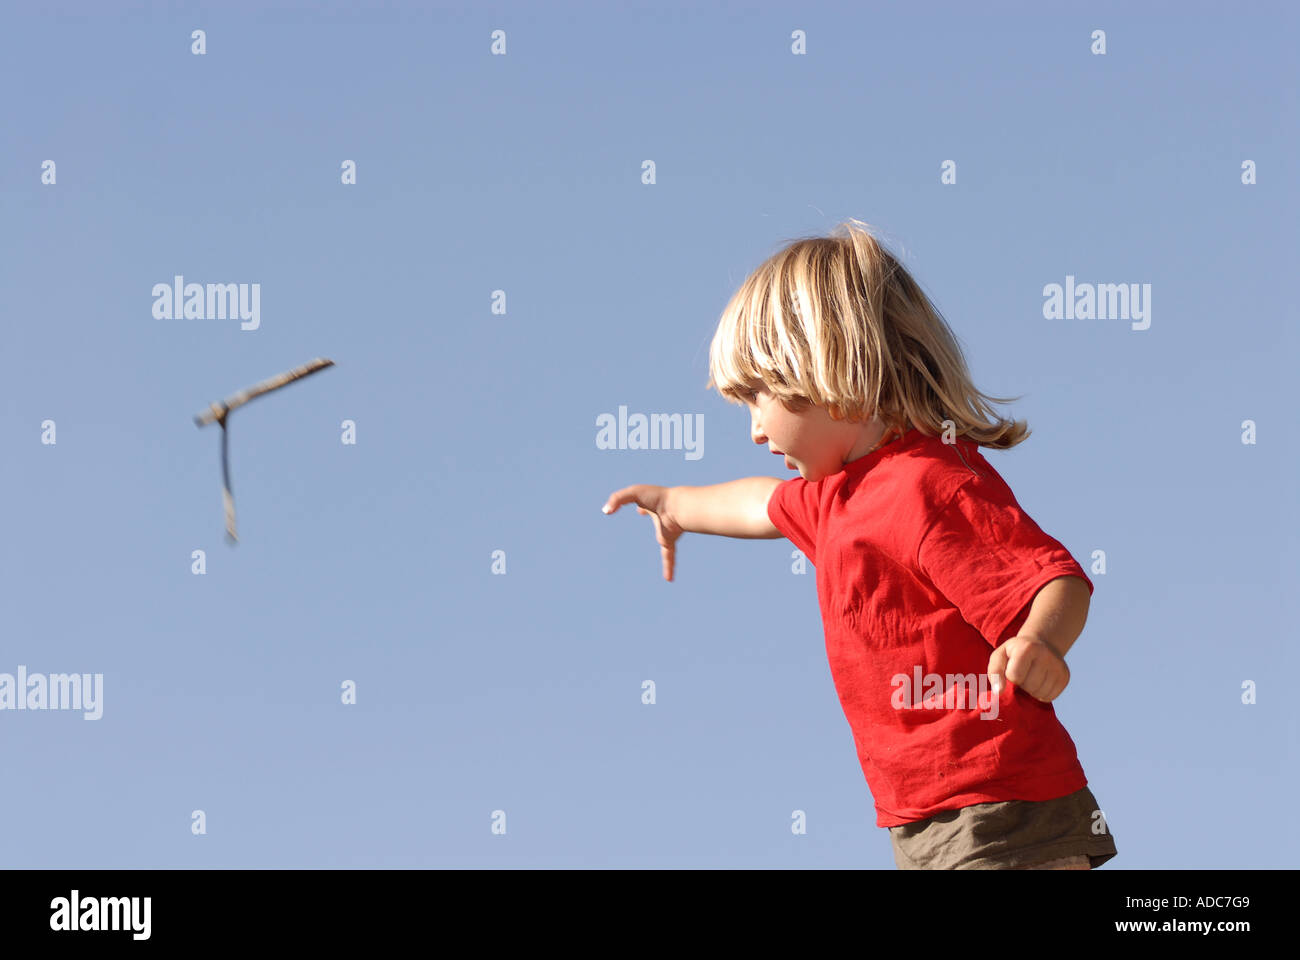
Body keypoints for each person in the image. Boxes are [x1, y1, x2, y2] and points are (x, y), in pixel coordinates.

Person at [602, 220, 1117, 870]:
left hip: (999, 799)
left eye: (758, 395)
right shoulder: (834, 502)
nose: (755, 427)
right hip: (915, 819)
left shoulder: (926, 486)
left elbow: (1052, 579)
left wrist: (1040, 642)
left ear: (829, 364)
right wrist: (675, 505)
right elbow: (756, 503)